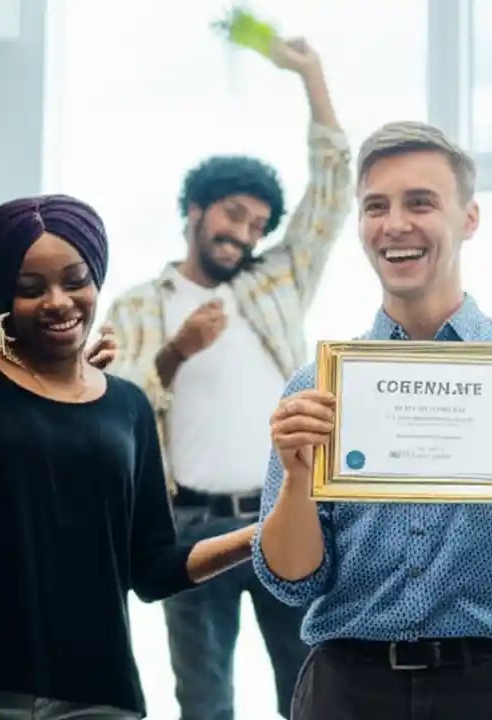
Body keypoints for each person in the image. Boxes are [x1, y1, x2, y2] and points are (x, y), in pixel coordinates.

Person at [253, 120, 492, 720]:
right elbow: (293, 581)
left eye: (420, 203)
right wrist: (298, 481)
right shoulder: (317, 389)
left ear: (469, 218)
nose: (394, 224)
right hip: (346, 691)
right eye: (376, 206)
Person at [0, 194, 258, 719]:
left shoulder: (127, 406)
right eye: (29, 288)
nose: (58, 301)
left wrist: (260, 536)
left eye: (75, 281)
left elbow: (153, 568)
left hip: (96, 696)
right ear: (2, 292)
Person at [102, 35, 350, 720]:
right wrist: (177, 351)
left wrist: (312, 72)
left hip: (284, 515)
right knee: (204, 700)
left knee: (307, 691)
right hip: (189, 529)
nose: (243, 232)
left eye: (257, 223)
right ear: (196, 210)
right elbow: (117, 405)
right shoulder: (138, 306)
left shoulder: (275, 283)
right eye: (233, 215)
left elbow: (332, 189)